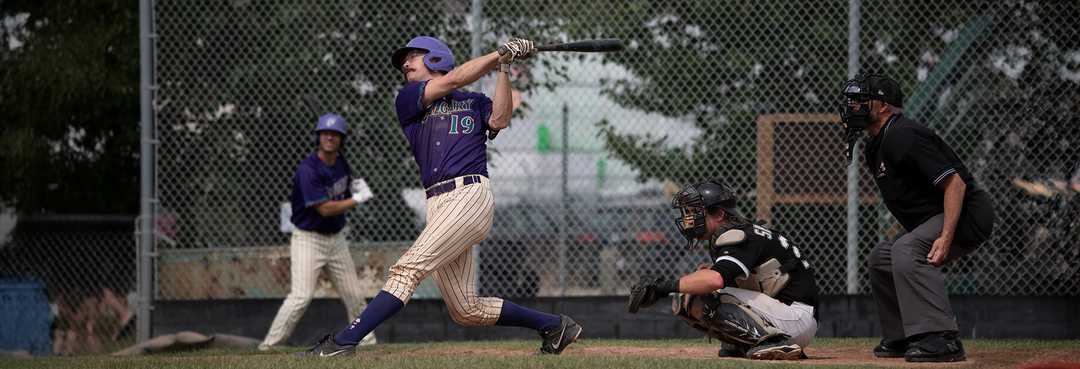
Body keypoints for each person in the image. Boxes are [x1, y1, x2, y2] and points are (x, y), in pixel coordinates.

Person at [298, 36, 581, 357]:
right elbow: (456, 79)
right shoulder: (408, 99)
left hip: (469, 196)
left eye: (414, 57)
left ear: (435, 58)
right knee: (466, 309)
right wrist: (499, 53)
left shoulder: (475, 101)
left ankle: (344, 342)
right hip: (439, 204)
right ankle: (555, 326)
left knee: (407, 271)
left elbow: (500, 118)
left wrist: (504, 65)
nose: (405, 64)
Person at [839, 73, 995, 362]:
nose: (853, 107)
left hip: (967, 214)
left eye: (861, 100)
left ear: (884, 106)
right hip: (936, 216)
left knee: (906, 250)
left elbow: (955, 184)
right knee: (881, 257)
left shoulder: (903, 134)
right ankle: (903, 336)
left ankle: (942, 338)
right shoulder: (876, 145)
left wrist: (946, 237)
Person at [627, 180, 819, 360]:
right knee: (691, 292)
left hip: (795, 319)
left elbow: (716, 280)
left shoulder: (736, 235)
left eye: (694, 212)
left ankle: (774, 342)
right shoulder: (740, 231)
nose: (688, 219)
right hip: (789, 316)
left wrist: (663, 287)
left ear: (719, 214)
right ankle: (745, 341)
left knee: (700, 293)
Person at [259, 113, 377, 351]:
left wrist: (354, 187)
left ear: (341, 139)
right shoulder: (308, 169)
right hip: (308, 239)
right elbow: (324, 209)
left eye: (334, 134)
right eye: (325, 133)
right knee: (301, 296)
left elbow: (343, 188)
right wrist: (356, 200)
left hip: (336, 239)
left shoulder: (342, 162)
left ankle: (367, 342)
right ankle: (269, 346)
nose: (329, 138)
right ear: (318, 137)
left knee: (354, 294)